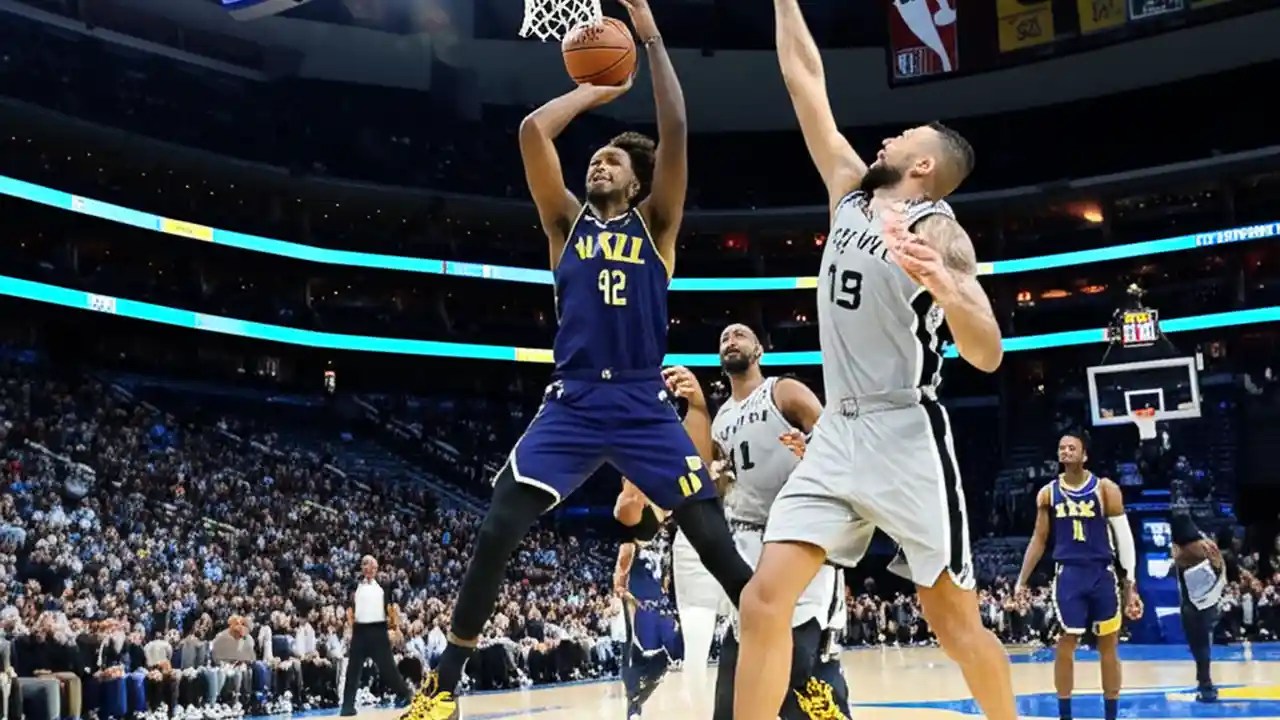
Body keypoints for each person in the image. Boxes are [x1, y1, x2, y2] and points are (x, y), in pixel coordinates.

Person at [401, 3, 753, 718]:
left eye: (614, 159)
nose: (599, 160)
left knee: (715, 541)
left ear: (636, 180)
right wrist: (598, 86)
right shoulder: (564, 225)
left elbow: (678, 130)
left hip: (638, 403)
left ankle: (804, 670)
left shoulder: (658, 225)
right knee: (499, 524)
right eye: (596, 156)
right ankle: (441, 691)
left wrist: (646, 35)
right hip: (569, 402)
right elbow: (534, 131)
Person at [735, 2, 1011, 719]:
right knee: (763, 601)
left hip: (904, 434)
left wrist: (950, 289)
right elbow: (805, 82)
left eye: (901, 137)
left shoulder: (939, 231)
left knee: (953, 623)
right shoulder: (850, 194)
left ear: (922, 166)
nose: (884, 137)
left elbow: (987, 351)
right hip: (838, 436)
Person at [679, 324, 854, 720]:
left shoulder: (782, 391)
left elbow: (838, 440)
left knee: (801, 677)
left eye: (740, 335)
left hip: (799, 545)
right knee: (733, 694)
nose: (730, 340)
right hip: (748, 555)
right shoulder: (721, 418)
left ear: (758, 349)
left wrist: (813, 450)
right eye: (723, 337)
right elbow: (718, 484)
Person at [1015, 432, 1142, 720]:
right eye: (1061, 447)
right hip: (1069, 575)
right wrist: (1022, 580)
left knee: (1109, 646)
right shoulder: (1048, 493)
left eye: (1072, 447)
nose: (1066, 451)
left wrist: (1130, 583)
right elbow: (1039, 539)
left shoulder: (1106, 489)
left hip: (1102, 573)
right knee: (1066, 642)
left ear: (1085, 455)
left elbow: (1124, 539)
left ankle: (1111, 714)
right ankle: (1065, 715)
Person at [614, 483, 677, 719]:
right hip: (636, 599)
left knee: (661, 664)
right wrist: (621, 590)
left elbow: (666, 571)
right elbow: (623, 560)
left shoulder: (666, 535)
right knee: (632, 651)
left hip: (657, 602)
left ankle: (637, 701)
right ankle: (633, 707)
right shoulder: (635, 533)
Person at [341, 556, 413, 716]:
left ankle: (406, 694)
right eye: (365, 564)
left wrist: (395, 627)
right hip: (360, 630)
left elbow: (389, 607)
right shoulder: (354, 586)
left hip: (378, 630)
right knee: (353, 669)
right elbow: (350, 609)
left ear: (376, 568)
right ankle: (347, 706)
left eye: (371, 565)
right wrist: (351, 628)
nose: (368, 568)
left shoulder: (383, 586)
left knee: (388, 669)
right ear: (362, 568)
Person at [1170, 513, 1227, 703]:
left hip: (1192, 604)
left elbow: (1172, 570)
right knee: (1203, 645)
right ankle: (1203, 681)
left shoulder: (1181, 552)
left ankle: (1206, 685)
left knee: (1199, 647)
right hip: (1210, 599)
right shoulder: (1207, 546)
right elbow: (1220, 568)